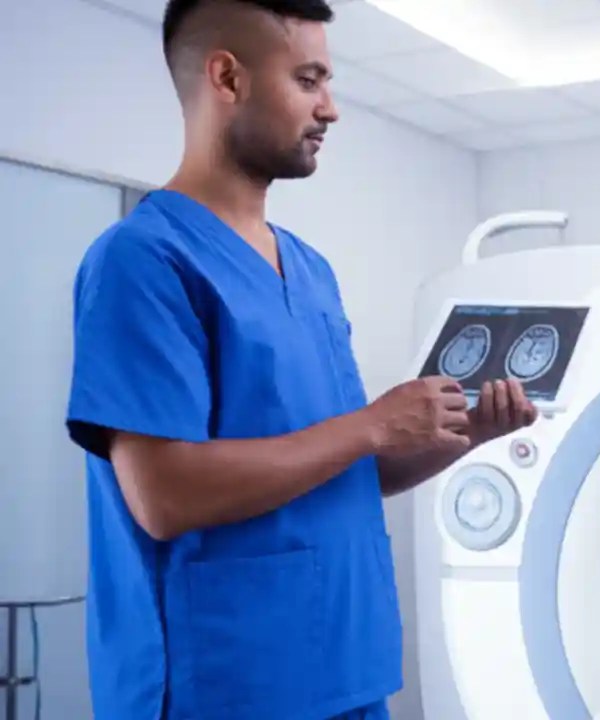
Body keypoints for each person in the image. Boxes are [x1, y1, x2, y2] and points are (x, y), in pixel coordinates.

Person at [63, 0, 536, 718]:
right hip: (224, 683)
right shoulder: (142, 260)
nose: (331, 109)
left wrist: (464, 434)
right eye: (309, 80)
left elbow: (338, 468)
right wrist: (372, 425)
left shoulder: (309, 270)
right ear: (228, 78)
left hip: (346, 667)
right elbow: (163, 496)